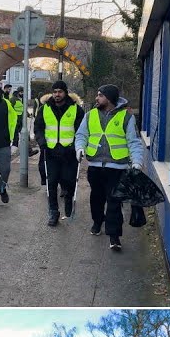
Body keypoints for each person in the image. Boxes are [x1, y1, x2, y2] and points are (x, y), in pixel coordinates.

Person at [75, 84, 146, 251]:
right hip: (95, 166)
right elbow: (81, 135)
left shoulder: (126, 117)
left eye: (100, 95)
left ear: (109, 98)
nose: (97, 98)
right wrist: (79, 148)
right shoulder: (90, 115)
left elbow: (134, 142)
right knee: (96, 198)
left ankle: (114, 235)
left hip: (118, 167)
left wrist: (137, 161)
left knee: (114, 201)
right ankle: (97, 222)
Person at [33, 81, 85, 226]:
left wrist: (77, 146)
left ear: (65, 92)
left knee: (69, 181)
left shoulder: (76, 109)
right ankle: (53, 212)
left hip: (69, 153)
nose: (57, 94)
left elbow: (81, 130)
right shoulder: (44, 109)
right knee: (52, 183)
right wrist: (41, 141)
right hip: (50, 152)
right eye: (55, 91)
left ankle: (68, 200)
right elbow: (38, 128)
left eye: (60, 91)